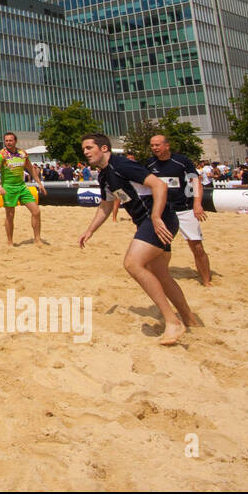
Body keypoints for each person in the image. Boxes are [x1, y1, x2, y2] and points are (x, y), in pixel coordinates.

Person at [77, 133, 201, 346]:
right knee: (162, 274)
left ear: (104, 148)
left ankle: (172, 321)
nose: (86, 152)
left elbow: (159, 186)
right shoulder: (105, 175)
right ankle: (189, 319)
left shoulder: (122, 165)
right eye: (84, 149)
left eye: (89, 148)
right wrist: (90, 231)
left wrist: (154, 216)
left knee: (133, 264)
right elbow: (106, 206)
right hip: (149, 221)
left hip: (158, 220)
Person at [146, 135, 212, 287]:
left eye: (157, 145)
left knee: (196, 246)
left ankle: (206, 281)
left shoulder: (182, 161)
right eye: (152, 145)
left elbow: (196, 181)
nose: (154, 148)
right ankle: (161, 277)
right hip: (162, 211)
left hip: (184, 208)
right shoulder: (150, 164)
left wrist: (197, 203)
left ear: (167, 146)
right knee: (161, 247)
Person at [0, 133, 46, 248]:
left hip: (22, 187)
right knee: (10, 215)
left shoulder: (22, 154)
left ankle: (37, 239)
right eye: (6, 140)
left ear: (15, 141)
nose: (8, 142)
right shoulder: (1, 155)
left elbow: (30, 168)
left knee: (36, 211)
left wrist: (39, 183)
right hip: (8, 188)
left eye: (10, 140)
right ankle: (10, 241)